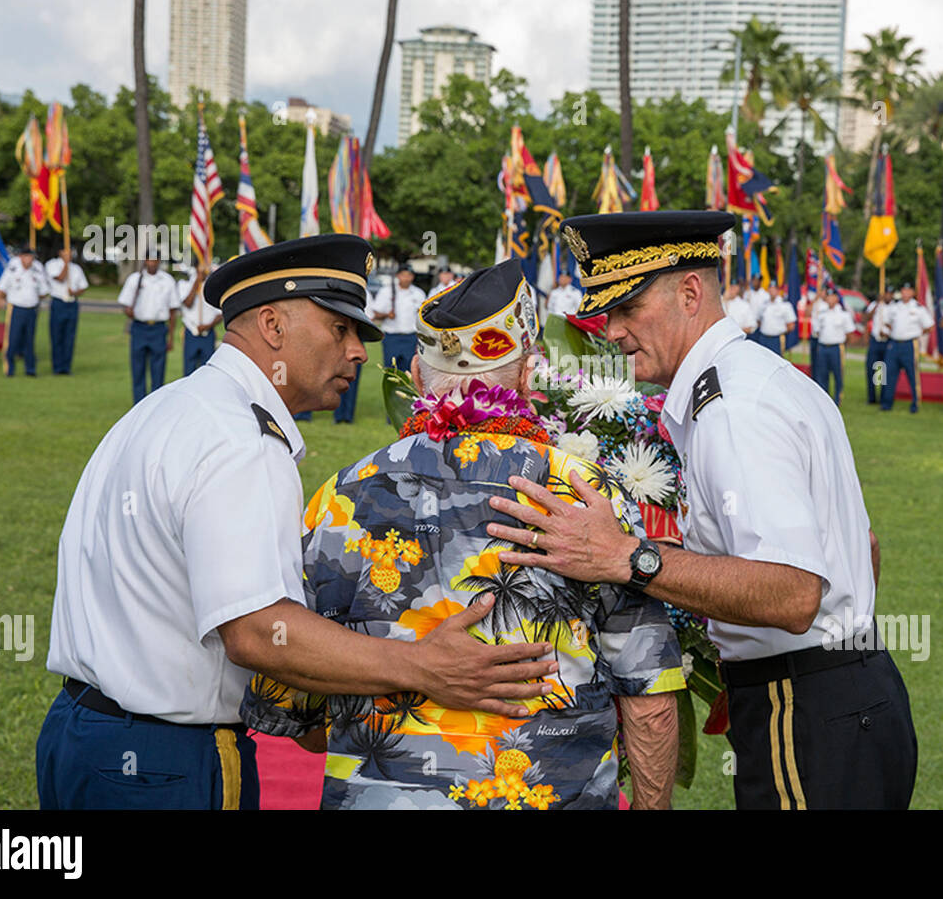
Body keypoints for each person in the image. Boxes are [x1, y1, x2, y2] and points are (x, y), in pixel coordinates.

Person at [36, 234, 559, 810]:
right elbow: (257, 632)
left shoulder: (170, 408)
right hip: (163, 763)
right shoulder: (241, 440)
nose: (358, 352)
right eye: (341, 329)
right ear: (272, 326)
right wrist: (422, 666)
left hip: (86, 734)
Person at [491, 211, 915, 810]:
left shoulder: (732, 408)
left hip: (806, 709)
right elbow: (861, 550)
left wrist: (627, 558)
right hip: (841, 695)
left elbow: (794, 594)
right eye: (605, 312)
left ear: (690, 292)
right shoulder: (761, 377)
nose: (610, 331)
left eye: (627, 309)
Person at [242, 259, 684, 810]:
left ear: (419, 377)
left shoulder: (341, 496)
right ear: (529, 375)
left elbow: (290, 696)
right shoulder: (585, 494)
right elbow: (649, 696)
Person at [118, 253, 180, 403]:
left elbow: (173, 311)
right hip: (140, 327)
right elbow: (125, 304)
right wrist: (129, 312)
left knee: (158, 370)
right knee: (137, 369)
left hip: (158, 329)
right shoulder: (135, 279)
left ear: (159, 261)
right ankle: (138, 403)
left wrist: (171, 337)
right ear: (145, 260)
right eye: (149, 259)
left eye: (155, 260)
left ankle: (155, 404)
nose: (152, 263)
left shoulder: (167, 281)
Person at [0, 247, 51, 377]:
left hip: (32, 309)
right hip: (16, 309)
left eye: (31, 257)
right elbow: (1, 289)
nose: (28, 259)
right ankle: (9, 369)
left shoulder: (37, 271)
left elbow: (44, 292)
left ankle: (30, 369)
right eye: (26, 256)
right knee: (12, 339)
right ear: (21, 257)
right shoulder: (13, 270)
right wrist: (3, 300)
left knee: (29, 340)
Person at [879, 282, 934, 413]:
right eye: (903, 290)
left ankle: (915, 403)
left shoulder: (918, 308)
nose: (905, 293)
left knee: (912, 374)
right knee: (889, 374)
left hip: (910, 344)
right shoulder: (894, 307)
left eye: (908, 291)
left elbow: (930, 326)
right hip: (894, 343)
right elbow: (887, 322)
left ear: (913, 293)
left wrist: (917, 334)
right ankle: (887, 403)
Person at [332, 284, 375, 424]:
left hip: (356, 337)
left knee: (352, 379)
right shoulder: (339, 291)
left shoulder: (365, 294)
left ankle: (348, 415)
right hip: (338, 338)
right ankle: (338, 415)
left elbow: (371, 315)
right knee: (336, 376)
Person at [372, 264, 427, 370]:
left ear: (413, 277)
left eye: (409, 275)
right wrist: (387, 314)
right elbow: (376, 313)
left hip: (411, 338)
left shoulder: (418, 293)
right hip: (392, 337)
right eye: (403, 275)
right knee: (391, 370)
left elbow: (424, 315)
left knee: (411, 372)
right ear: (398, 276)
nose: (406, 278)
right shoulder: (386, 291)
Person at [45, 247, 88, 375]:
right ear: (60, 252)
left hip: (72, 303)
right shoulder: (52, 264)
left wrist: (75, 292)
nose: (68, 254)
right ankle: (57, 367)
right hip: (58, 303)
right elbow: (60, 278)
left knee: (69, 337)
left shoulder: (77, 268)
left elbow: (83, 286)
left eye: (70, 252)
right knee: (57, 335)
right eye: (65, 252)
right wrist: (65, 264)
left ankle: (66, 367)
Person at [176, 261, 223, 376]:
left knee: (208, 371)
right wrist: (197, 282)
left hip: (208, 333)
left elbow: (220, 314)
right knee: (189, 372)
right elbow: (187, 303)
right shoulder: (185, 284)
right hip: (191, 333)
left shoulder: (213, 286)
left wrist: (207, 326)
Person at [812, 288, 855, 406]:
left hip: (836, 348)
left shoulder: (843, 315)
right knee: (822, 374)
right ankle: (823, 400)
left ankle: (837, 399)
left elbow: (850, 333)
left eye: (833, 297)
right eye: (828, 297)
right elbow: (817, 331)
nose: (830, 299)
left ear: (837, 299)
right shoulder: (821, 314)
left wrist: (844, 346)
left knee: (838, 374)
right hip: (823, 347)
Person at [863, 290, 890, 405]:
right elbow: (866, 318)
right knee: (871, 368)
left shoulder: (894, 307)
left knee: (883, 370)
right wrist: (878, 304)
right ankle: (872, 397)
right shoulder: (875, 305)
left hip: (887, 341)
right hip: (875, 340)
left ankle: (883, 396)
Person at [754, 282, 797, 355]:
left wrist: (779, 331)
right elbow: (759, 321)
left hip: (776, 339)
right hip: (763, 338)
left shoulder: (785, 305)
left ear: (778, 290)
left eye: (774, 289)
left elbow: (791, 325)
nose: (772, 291)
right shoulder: (764, 304)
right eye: (770, 289)